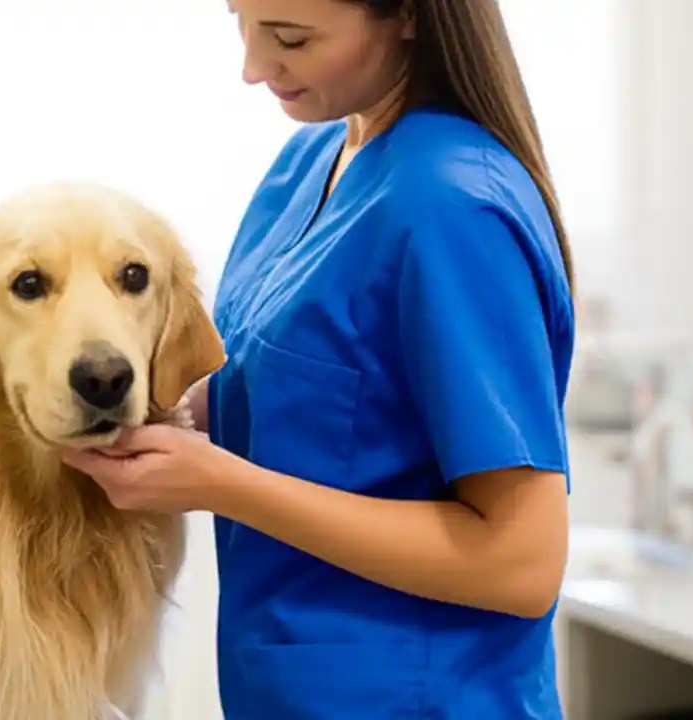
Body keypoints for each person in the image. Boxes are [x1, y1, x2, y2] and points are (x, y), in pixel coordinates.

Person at [63, 0, 575, 717]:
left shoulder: (450, 212)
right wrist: (187, 408)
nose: (252, 68)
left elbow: (520, 562)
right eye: (240, 21)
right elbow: (317, 388)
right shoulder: (315, 159)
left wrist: (222, 484)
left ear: (406, 16)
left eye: (290, 39)